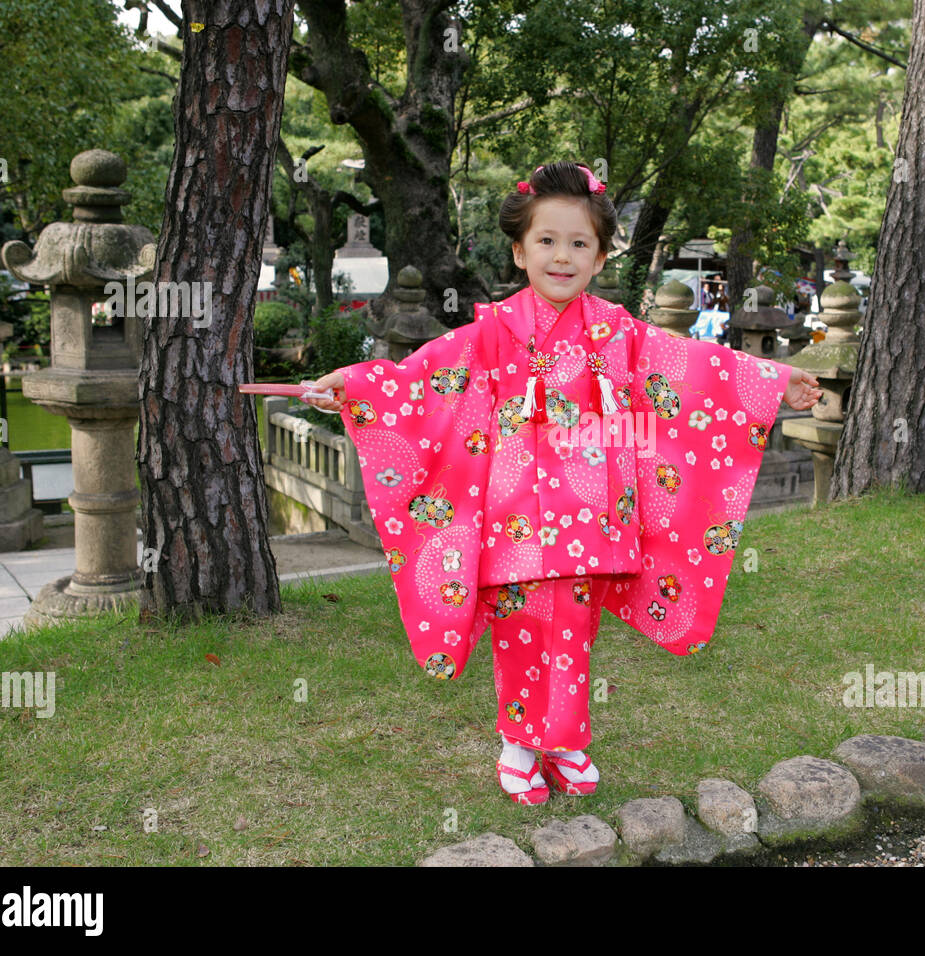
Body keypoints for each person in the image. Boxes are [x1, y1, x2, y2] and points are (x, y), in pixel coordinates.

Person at [304, 161, 821, 804]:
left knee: (573, 629)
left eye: (579, 243)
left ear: (600, 256)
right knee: (521, 628)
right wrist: (352, 385)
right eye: (547, 241)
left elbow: (688, 366)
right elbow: (421, 379)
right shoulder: (490, 332)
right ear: (520, 250)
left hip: (591, 513)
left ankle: (567, 740)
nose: (562, 255)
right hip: (513, 510)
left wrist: (772, 382)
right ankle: (519, 744)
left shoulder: (619, 333)